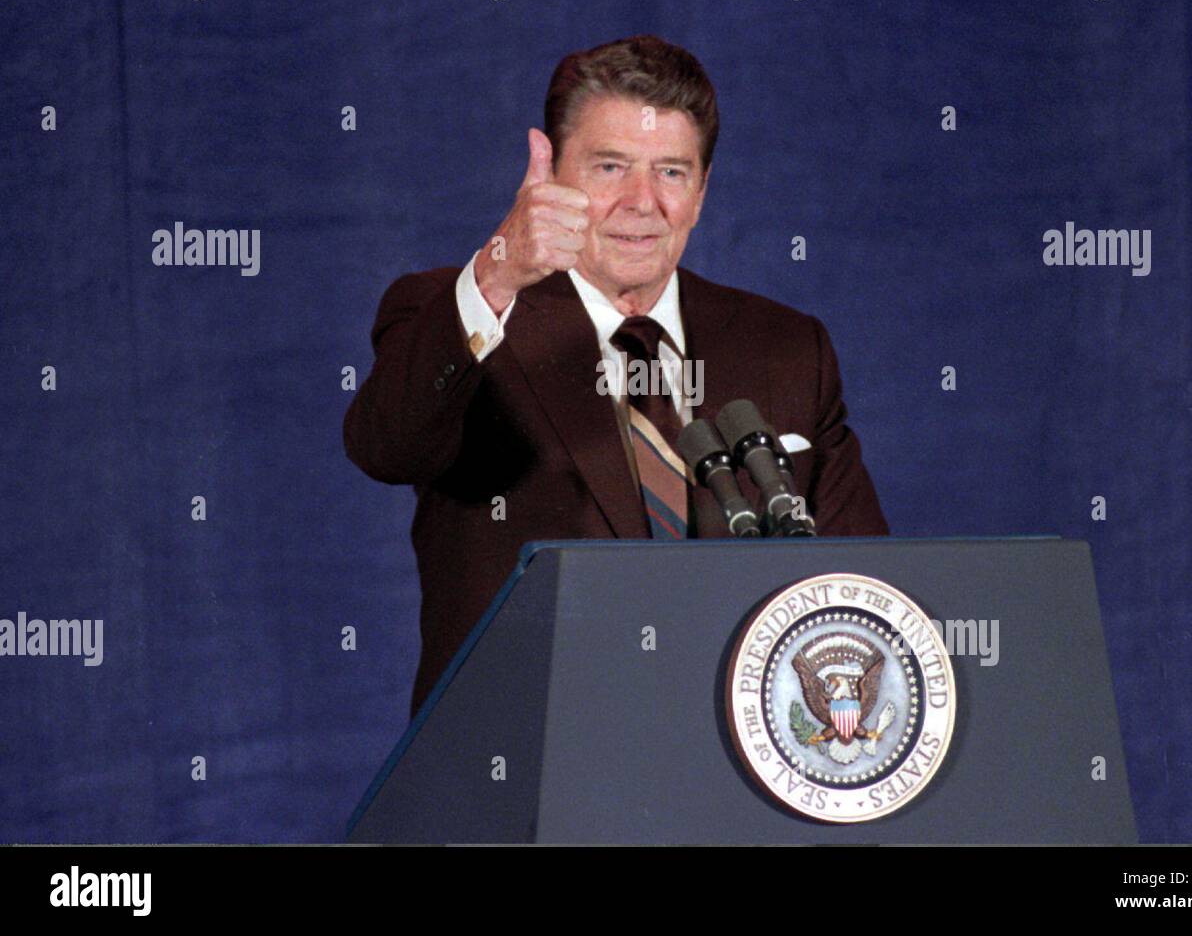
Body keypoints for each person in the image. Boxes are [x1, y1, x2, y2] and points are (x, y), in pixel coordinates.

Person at [344, 35, 888, 718]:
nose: (641, 202)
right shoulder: (467, 311)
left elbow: (857, 583)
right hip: (522, 774)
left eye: (671, 172)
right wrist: (498, 271)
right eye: (609, 168)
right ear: (552, 179)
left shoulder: (784, 347)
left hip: (734, 777)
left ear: (701, 191)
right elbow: (385, 445)